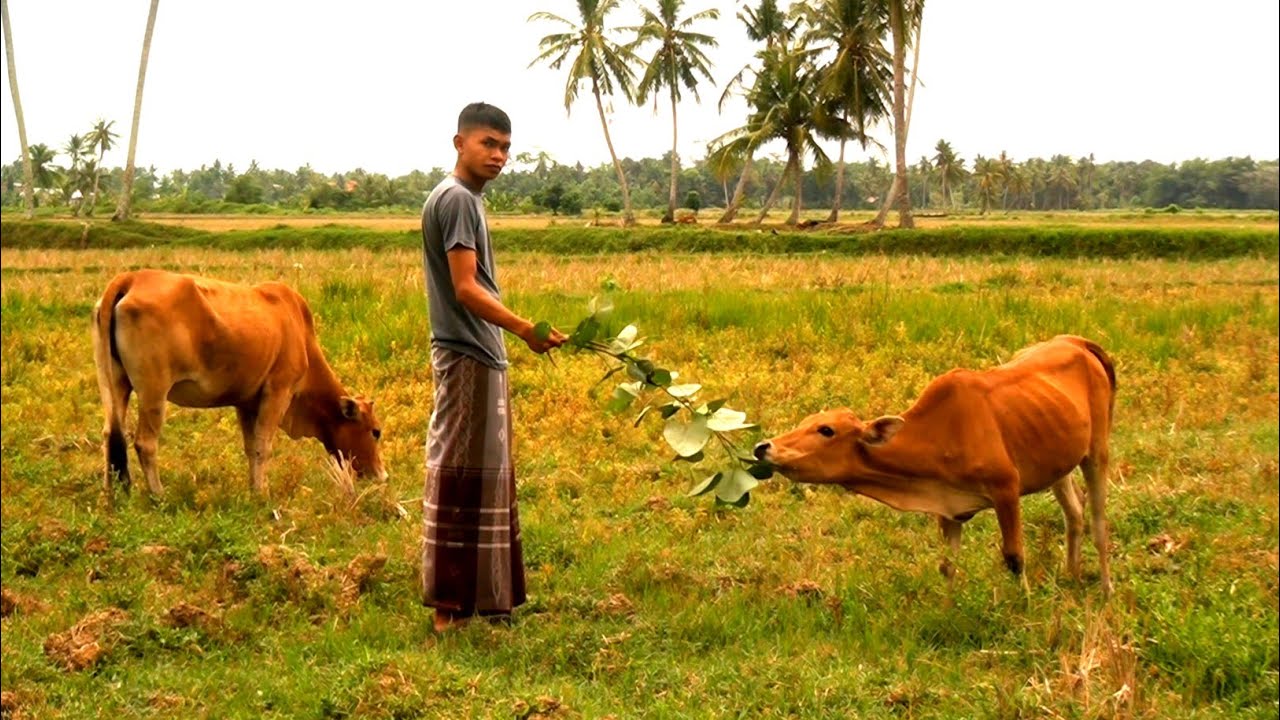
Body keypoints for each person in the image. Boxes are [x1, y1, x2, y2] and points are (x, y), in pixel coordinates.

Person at [420, 102, 567, 633]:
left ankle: (481, 599)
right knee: (461, 474)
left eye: (505, 147)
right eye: (488, 143)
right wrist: (524, 327)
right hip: (468, 352)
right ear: (459, 143)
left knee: (486, 479)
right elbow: (464, 288)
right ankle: (448, 609)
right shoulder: (458, 200)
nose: (499, 155)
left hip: (480, 354)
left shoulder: (463, 200)